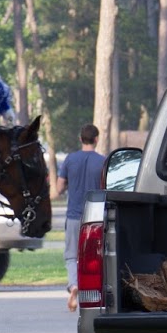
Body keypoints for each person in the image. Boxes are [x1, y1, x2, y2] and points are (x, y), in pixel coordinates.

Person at [57, 124, 105, 311]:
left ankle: (74, 285)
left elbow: (59, 188)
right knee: (96, 256)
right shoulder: (102, 161)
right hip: (95, 217)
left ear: (80, 139)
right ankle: (94, 291)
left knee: (71, 256)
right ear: (96, 139)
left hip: (74, 215)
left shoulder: (70, 160)